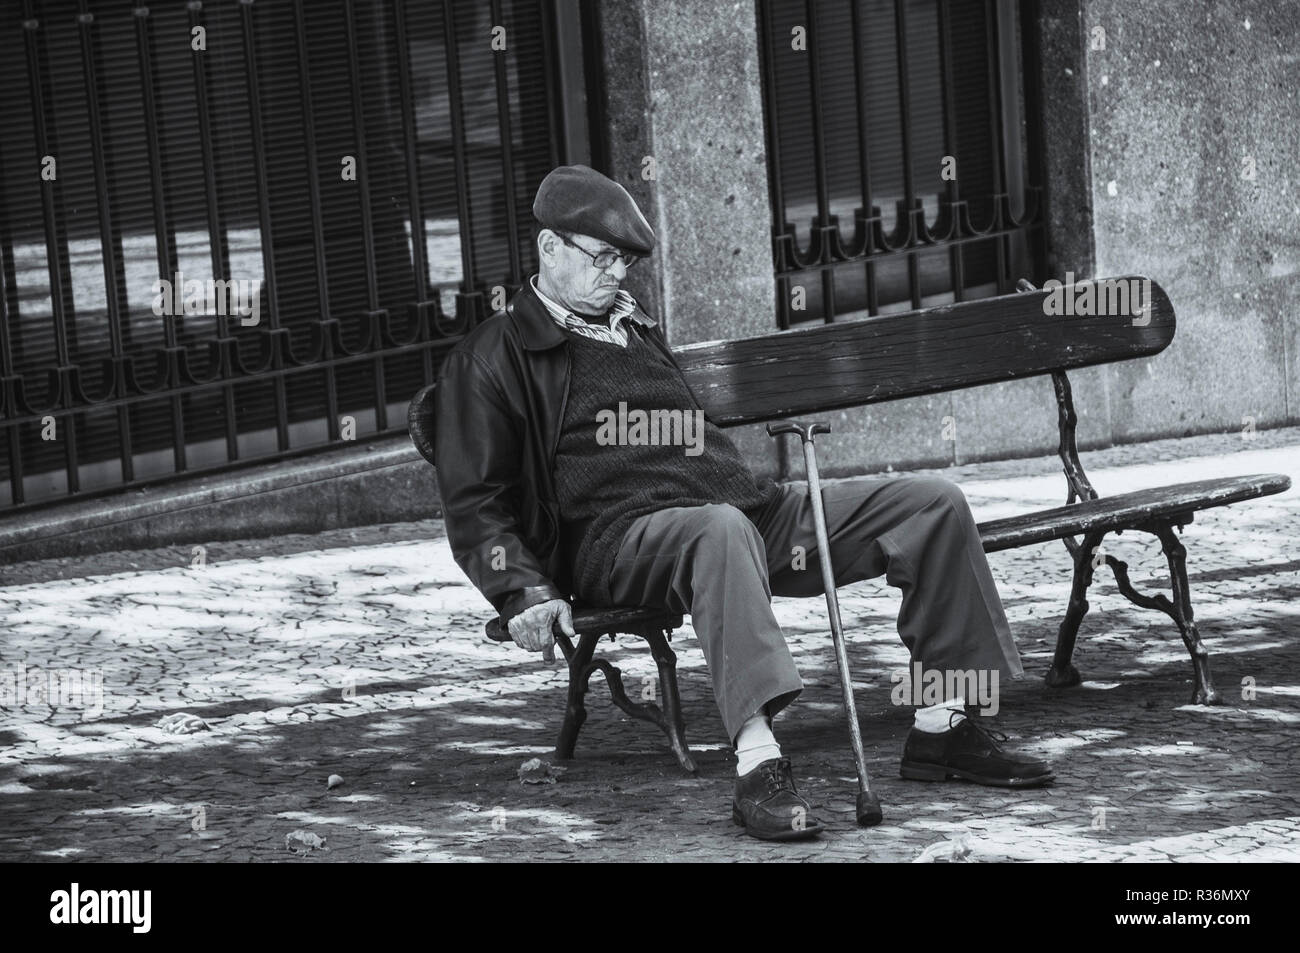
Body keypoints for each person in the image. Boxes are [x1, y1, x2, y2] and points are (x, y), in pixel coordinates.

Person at [433, 164, 1054, 842]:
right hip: (622, 539)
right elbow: (475, 499)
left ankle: (943, 724)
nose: (618, 273)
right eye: (602, 256)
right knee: (719, 531)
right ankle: (758, 761)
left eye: (625, 260)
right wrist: (520, 588)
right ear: (550, 249)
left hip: (751, 512)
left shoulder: (633, 326)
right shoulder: (493, 354)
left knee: (932, 503)